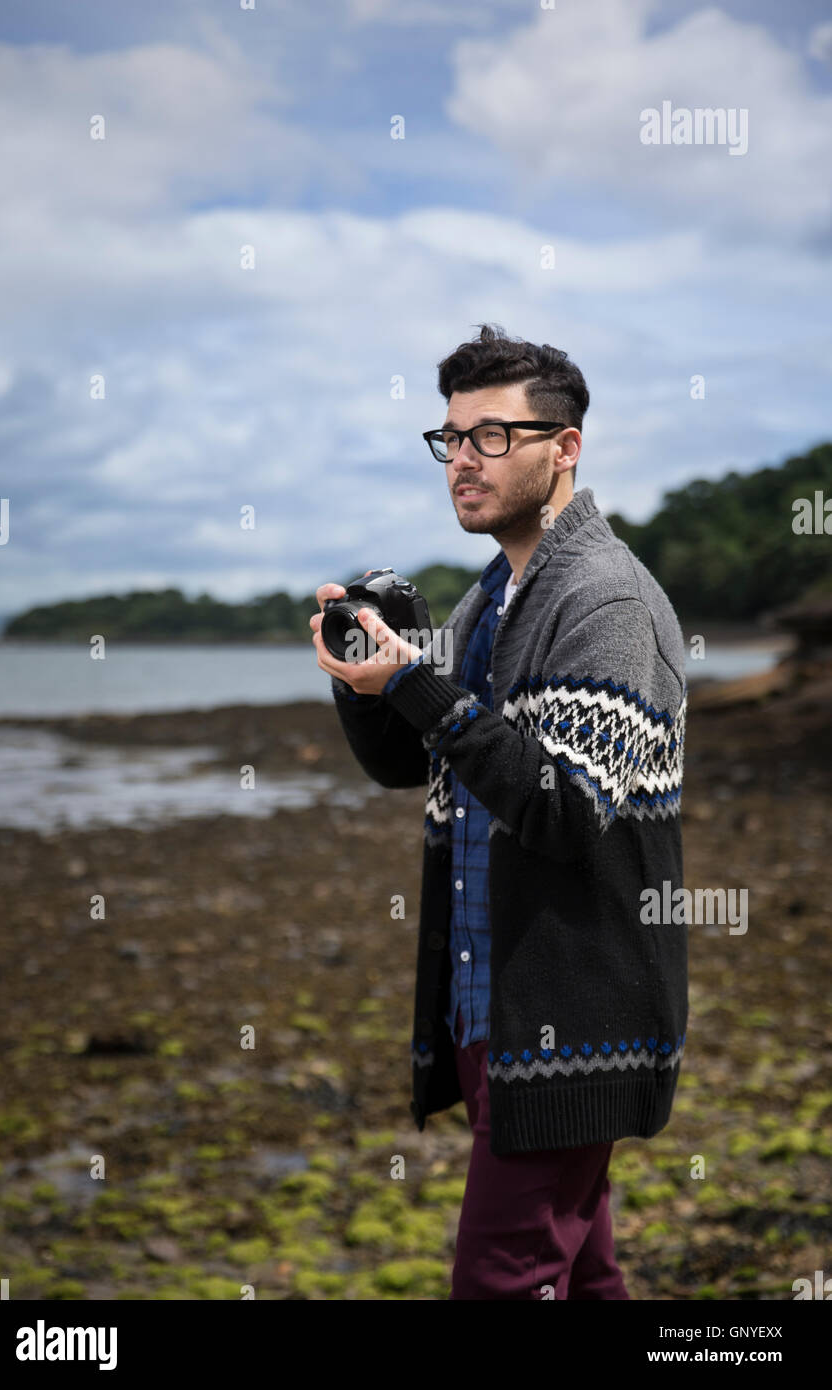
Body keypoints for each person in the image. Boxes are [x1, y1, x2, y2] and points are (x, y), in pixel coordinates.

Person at [310, 324, 688, 1300]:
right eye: (449, 439)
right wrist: (370, 682)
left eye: (491, 436)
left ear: (563, 446)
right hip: (495, 1003)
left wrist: (417, 682)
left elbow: (561, 807)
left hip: (573, 1011)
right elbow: (414, 766)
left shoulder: (604, 599)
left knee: (501, 1277)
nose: (461, 463)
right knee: (581, 1271)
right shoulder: (491, 600)